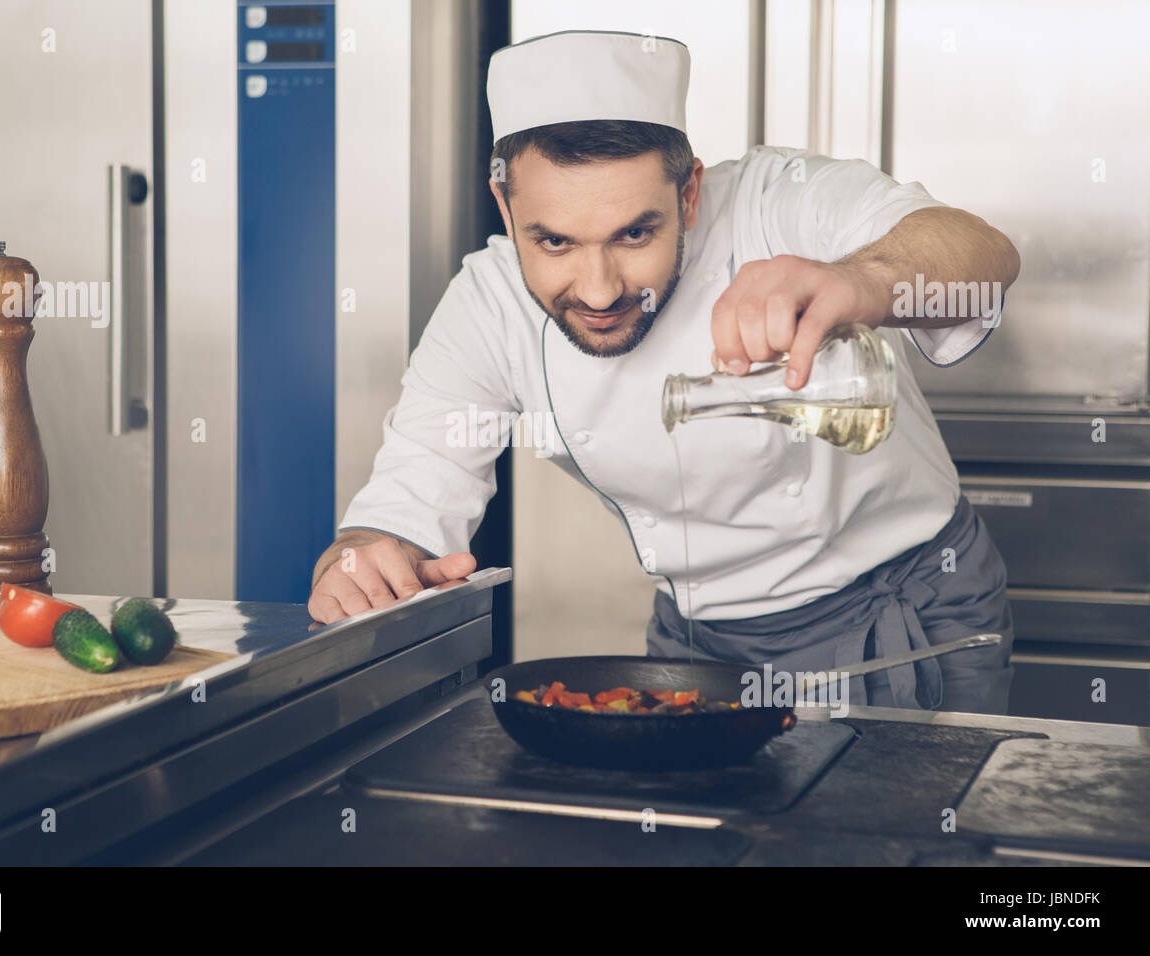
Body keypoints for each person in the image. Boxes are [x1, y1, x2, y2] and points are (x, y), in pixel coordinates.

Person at [308, 30, 1021, 714]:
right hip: (692, 640)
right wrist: (364, 561)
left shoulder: (777, 203)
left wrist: (860, 280)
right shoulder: (489, 306)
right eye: (553, 240)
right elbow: (405, 497)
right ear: (505, 205)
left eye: (635, 234)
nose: (597, 289)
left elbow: (980, 254)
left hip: (899, 618)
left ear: (688, 196)